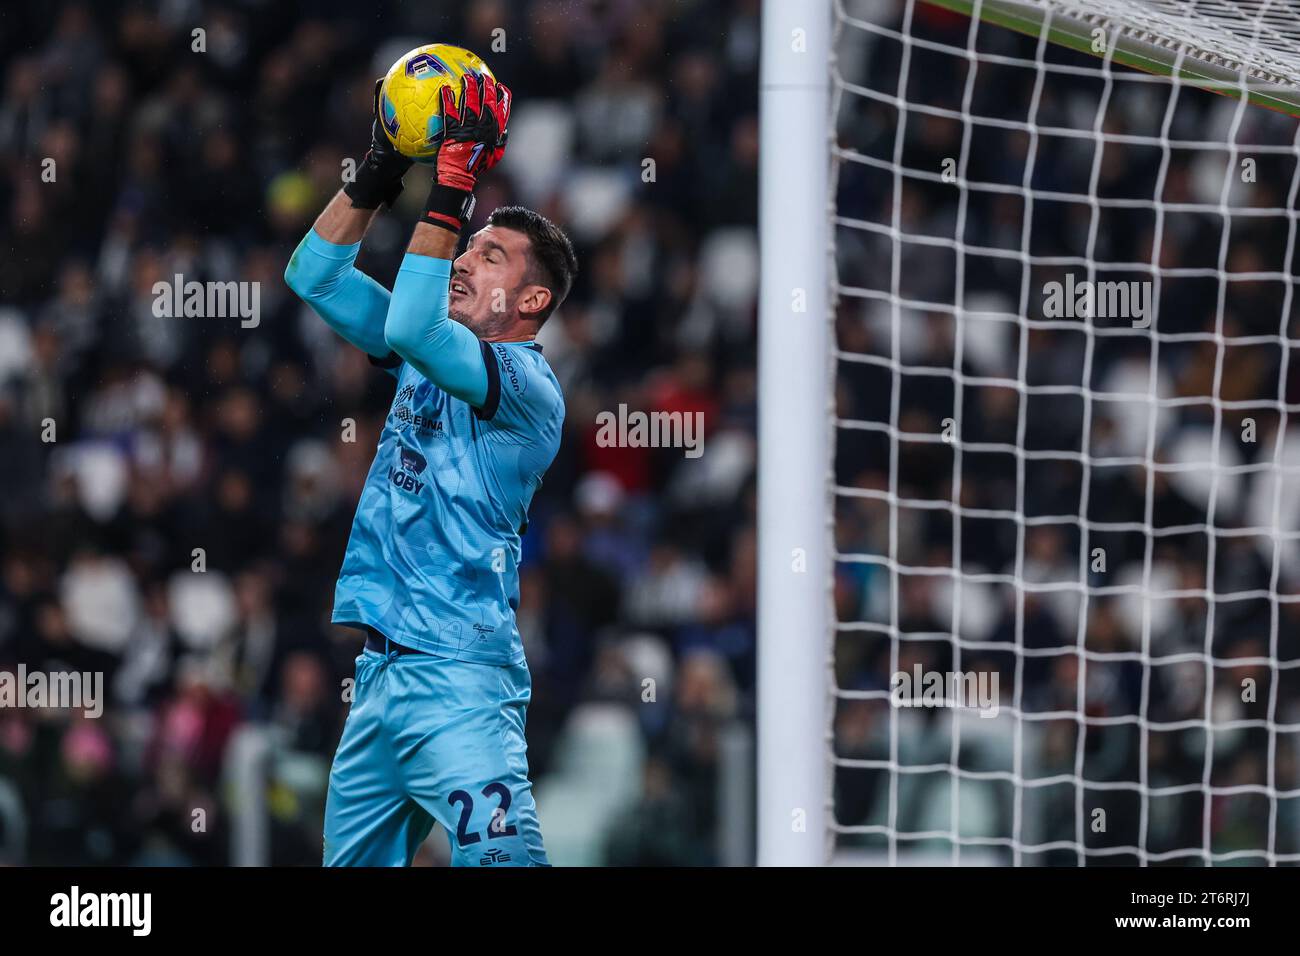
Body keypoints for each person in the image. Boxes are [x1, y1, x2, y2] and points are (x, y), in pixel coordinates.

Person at [283, 70, 577, 866]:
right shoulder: (426, 357)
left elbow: (411, 322)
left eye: (489, 257)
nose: (463, 259)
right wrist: (381, 167)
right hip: (378, 683)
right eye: (470, 244)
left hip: (460, 682)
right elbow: (312, 277)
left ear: (530, 303)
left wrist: (448, 191)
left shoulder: (530, 390)